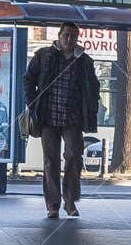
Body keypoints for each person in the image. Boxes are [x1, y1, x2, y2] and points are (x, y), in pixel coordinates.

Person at [23, 21, 99, 219]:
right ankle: (53, 205)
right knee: (51, 161)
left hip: (73, 118)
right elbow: (28, 79)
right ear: (59, 35)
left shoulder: (84, 61)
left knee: (74, 156)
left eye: (73, 36)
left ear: (77, 38)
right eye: (66, 35)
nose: (69, 39)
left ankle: (70, 201)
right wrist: (32, 104)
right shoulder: (44, 55)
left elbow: (93, 87)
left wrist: (90, 109)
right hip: (48, 117)